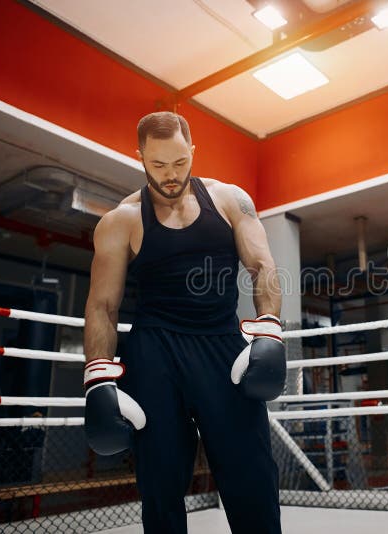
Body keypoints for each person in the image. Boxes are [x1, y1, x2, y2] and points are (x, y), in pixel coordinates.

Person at [82, 111, 284, 534]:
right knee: (160, 484)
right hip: (154, 352)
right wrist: (98, 378)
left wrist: (269, 327)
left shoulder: (229, 200)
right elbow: (103, 305)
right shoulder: (123, 219)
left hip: (222, 347)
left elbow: (263, 265)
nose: (170, 175)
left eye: (179, 162)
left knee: (253, 478)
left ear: (193, 151)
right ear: (139, 157)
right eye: (157, 165)